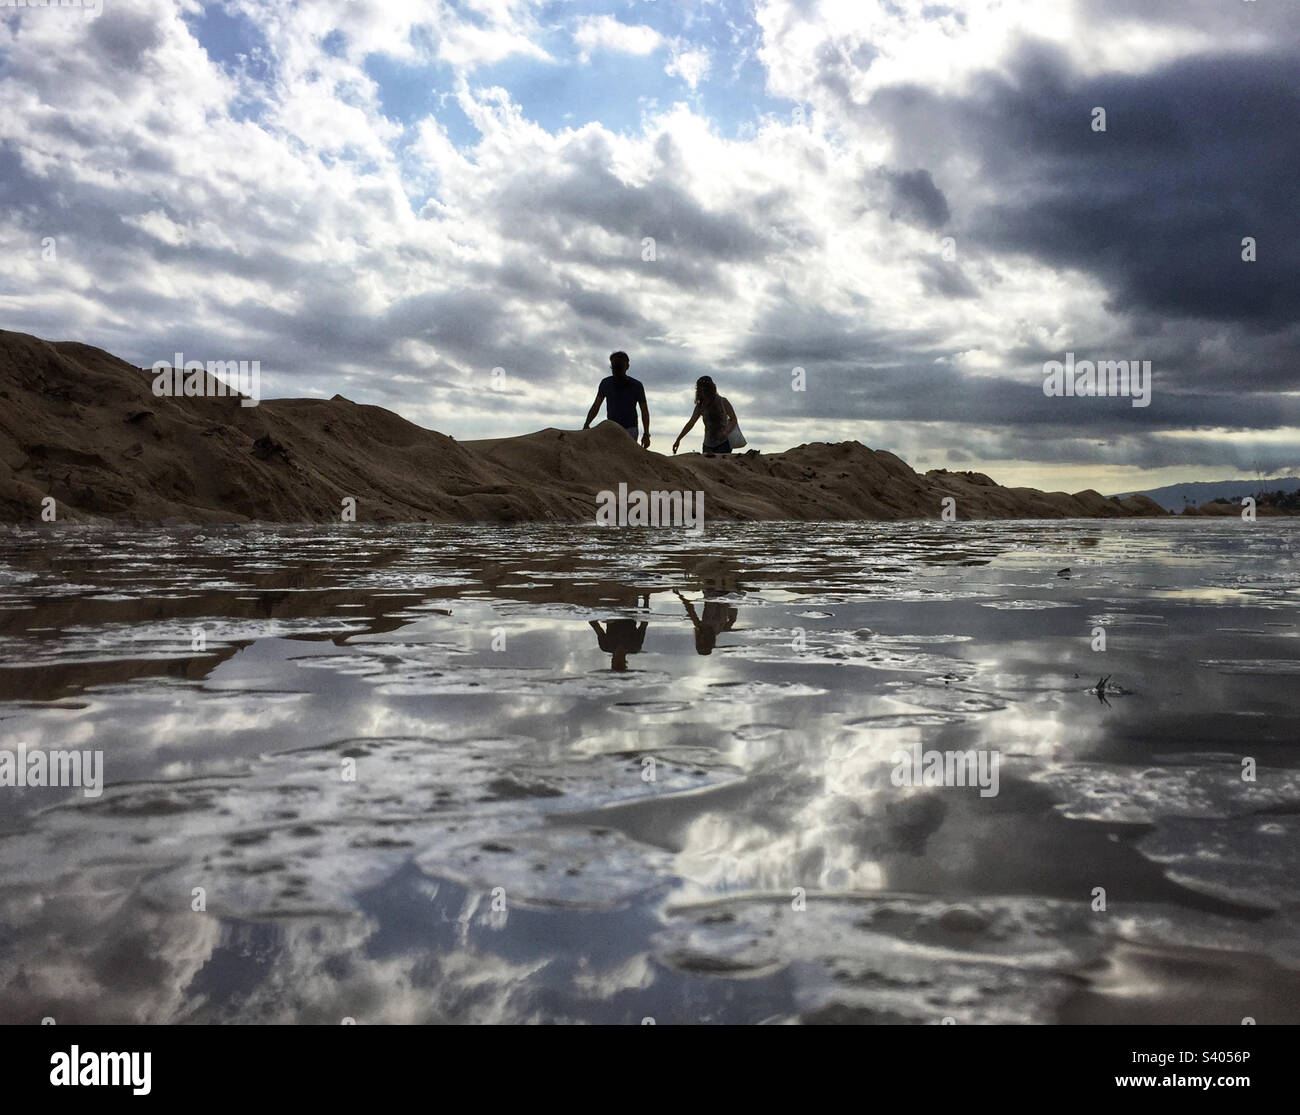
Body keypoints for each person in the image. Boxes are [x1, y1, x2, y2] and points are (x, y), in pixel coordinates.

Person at [584, 351, 650, 448]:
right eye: (614, 367)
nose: (616, 371)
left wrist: (646, 434)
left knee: (628, 456)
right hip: (611, 428)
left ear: (627, 367)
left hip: (630, 428)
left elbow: (644, 411)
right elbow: (596, 406)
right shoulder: (606, 383)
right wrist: (586, 424)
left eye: (619, 367)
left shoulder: (636, 385)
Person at [672, 376, 737, 455]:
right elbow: (691, 423)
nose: (702, 392)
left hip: (723, 444)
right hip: (708, 445)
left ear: (711, 389)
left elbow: (733, 419)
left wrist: (726, 432)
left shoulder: (722, 401)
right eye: (700, 389)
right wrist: (678, 440)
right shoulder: (700, 406)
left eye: (705, 389)